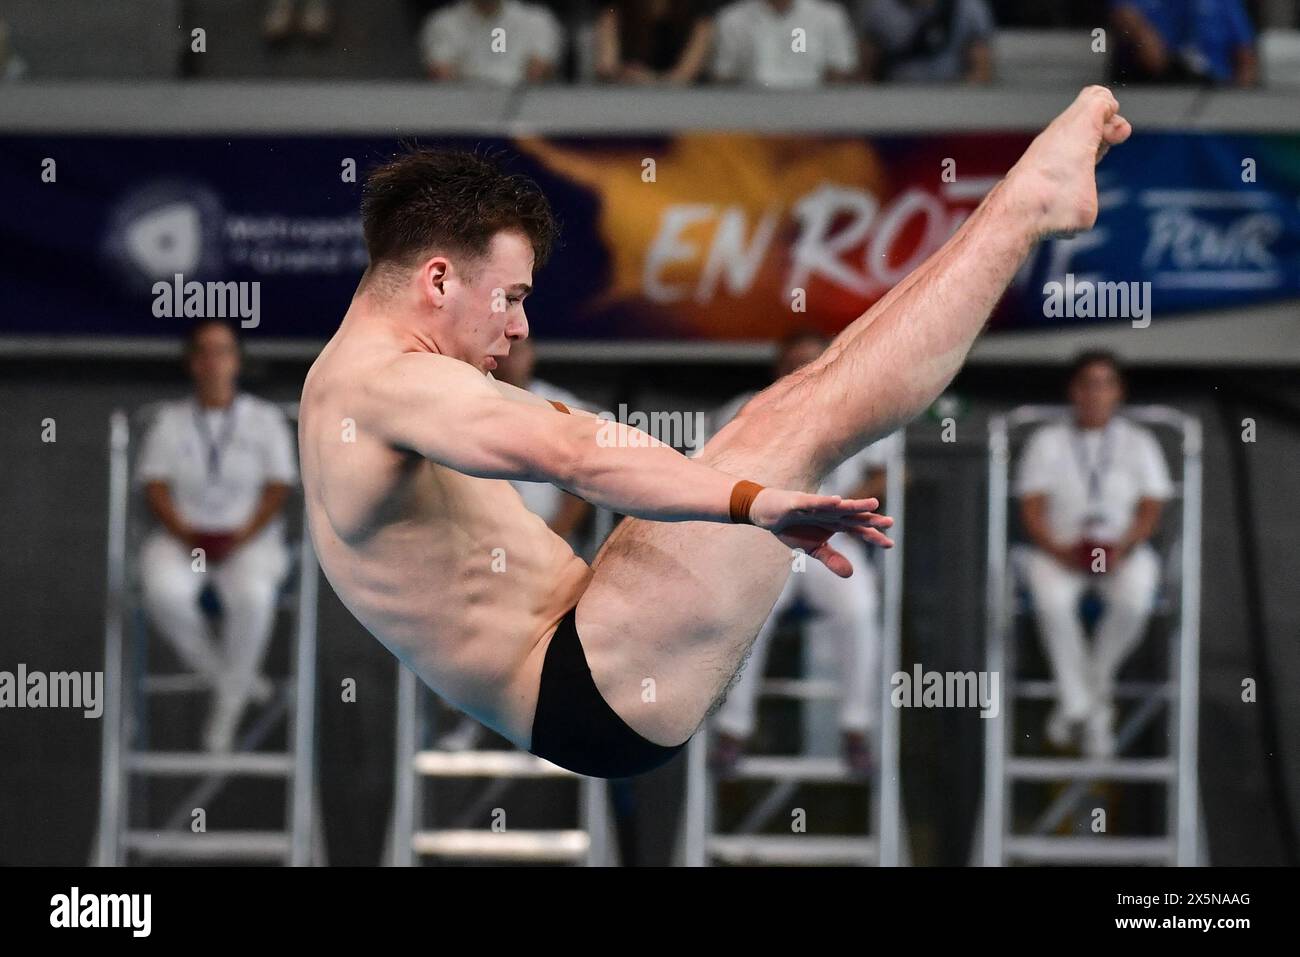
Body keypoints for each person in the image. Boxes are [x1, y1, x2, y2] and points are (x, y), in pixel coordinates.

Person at [299, 86, 1132, 779]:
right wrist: (752, 503)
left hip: (589, 657)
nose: (517, 328)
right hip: (588, 681)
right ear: (438, 276)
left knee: (791, 406)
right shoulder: (385, 384)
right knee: (805, 417)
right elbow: (576, 455)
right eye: (511, 296)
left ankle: (1027, 200)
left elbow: (576, 439)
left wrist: (736, 493)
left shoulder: (351, 381)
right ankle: (1028, 204)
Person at [708, 331, 901, 778]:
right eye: (793, 363)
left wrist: (837, 508)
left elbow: (888, 475)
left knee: (859, 608)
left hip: (829, 536)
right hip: (762, 536)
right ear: (778, 369)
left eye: (812, 363)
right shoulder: (746, 408)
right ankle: (733, 731)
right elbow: (710, 473)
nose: (802, 372)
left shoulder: (859, 409)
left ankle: (855, 728)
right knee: (748, 616)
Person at [137, 319, 298, 752]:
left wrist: (240, 535)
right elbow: (155, 485)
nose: (213, 361)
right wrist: (187, 533)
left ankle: (226, 710)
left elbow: (278, 485)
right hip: (185, 539)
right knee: (162, 591)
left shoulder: (263, 420)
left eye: (222, 351)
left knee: (253, 597)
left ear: (237, 361)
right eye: (204, 352)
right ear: (192, 363)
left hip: (247, 541)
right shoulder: (170, 421)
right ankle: (236, 683)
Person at [1014, 350, 1172, 757]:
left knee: (1137, 598)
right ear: (1074, 390)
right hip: (1061, 550)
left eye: (1105, 384)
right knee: (1049, 599)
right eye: (1088, 383)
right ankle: (1090, 708)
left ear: (1118, 392)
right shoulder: (1047, 440)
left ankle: (1084, 697)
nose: (1096, 393)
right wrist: (1058, 549)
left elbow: (1151, 507)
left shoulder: (1140, 443)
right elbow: (1031, 507)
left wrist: (1125, 546)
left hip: (1122, 550)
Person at [712, 0, 860, 88]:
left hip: (815, 120)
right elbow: (723, 76)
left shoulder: (829, 16)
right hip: (749, 120)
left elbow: (841, 71)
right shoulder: (732, 18)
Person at [1109, 0, 1257, 87]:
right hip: (1155, 91)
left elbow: (1245, 54)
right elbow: (1153, 58)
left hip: (1217, 95)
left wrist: (1237, 100)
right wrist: (1142, 34)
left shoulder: (1224, 3)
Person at [420, 0, 563, 85]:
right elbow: (442, 77)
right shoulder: (443, 22)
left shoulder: (537, 20)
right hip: (460, 120)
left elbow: (539, 74)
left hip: (525, 119)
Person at [856, 0, 995, 84]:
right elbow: (866, 73)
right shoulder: (880, 9)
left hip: (952, 102)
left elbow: (981, 72)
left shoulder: (969, 8)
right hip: (894, 102)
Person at [593, 1, 716, 86]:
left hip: (683, 105)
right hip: (626, 98)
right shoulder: (615, 10)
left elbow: (685, 77)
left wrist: (651, 80)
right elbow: (607, 68)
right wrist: (623, 74)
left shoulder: (699, 14)